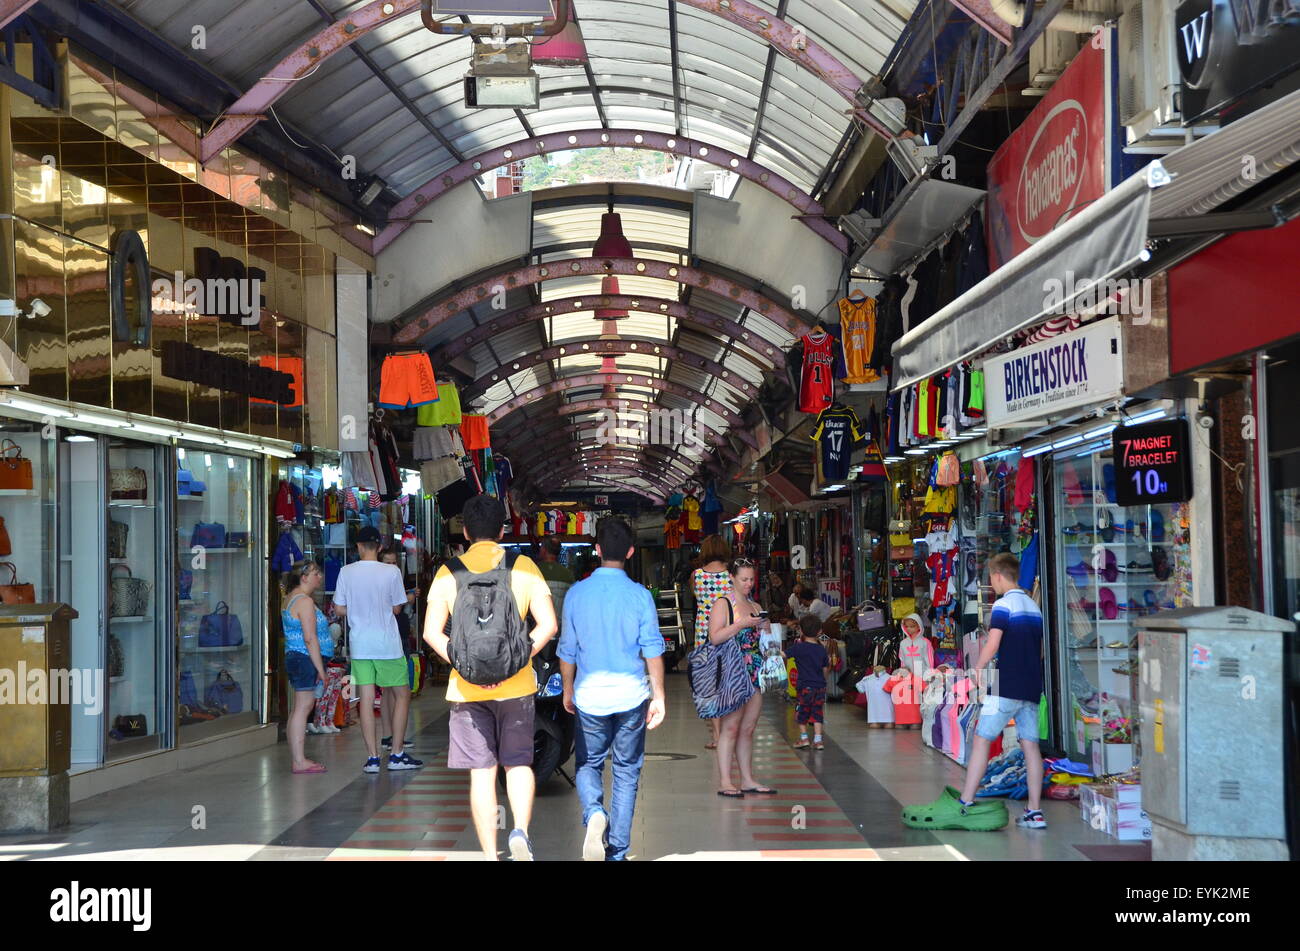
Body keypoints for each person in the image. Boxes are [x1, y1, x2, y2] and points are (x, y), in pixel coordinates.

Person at [423, 495, 558, 861]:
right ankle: (519, 832)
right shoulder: (524, 565)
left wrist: (466, 665)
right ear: (503, 529)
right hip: (517, 688)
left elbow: (432, 633)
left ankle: (488, 854)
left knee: (481, 774)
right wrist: (514, 661)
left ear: (465, 531)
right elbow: (548, 625)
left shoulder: (448, 571)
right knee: (517, 763)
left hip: (466, 691)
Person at [902, 552, 1044, 831]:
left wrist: (977, 669)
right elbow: (1038, 651)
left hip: (1005, 684)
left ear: (998, 575)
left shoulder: (1004, 605)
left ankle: (965, 801)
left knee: (981, 739)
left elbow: (993, 643)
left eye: (992, 578)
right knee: (1031, 746)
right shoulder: (1033, 606)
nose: (992, 583)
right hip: (1031, 685)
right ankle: (1035, 812)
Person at [558, 517, 666, 861]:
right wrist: (659, 695)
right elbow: (652, 648)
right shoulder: (639, 596)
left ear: (598, 549)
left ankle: (594, 814)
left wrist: (568, 690)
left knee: (588, 765)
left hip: (590, 696)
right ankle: (617, 852)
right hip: (631, 696)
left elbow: (568, 649)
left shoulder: (576, 593)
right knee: (626, 772)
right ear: (631, 552)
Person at [333, 526, 423, 773]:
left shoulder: (346, 572)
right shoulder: (391, 571)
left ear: (359, 547)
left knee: (366, 698)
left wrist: (358, 611)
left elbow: (339, 609)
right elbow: (397, 609)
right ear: (380, 547)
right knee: (402, 695)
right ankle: (396, 754)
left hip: (361, 645)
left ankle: (372, 758)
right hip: (388, 644)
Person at [708, 558, 777, 798]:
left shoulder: (756, 606)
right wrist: (741, 624)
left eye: (751, 579)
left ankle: (747, 778)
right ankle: (726, 781)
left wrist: (769, 636)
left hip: (754, 670)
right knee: (731, 726)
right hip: (732, 671)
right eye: (744, 579)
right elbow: (715, 637)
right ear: (733, 579)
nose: (749, 584)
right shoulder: (723, 605)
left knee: (748, 728)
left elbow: (764, 640)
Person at [282, 562, 330, 773]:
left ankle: (297, 757)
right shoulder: (304, 601)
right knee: (303, 708)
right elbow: (310, 638)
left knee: (299, 708)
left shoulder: (292, 597)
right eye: (315, 573)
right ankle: (299, 761)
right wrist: (320, 668)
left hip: (297, 657)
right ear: (304, 577)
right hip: (304, 658)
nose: (319, 577)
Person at [691, 534, 732, 751]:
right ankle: (728, 733)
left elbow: (697, 599)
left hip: (704, 636)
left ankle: (717, 736)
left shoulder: (696, 576)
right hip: (728, 633)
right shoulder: (732, 577)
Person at [378, 547, 418, 752]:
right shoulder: (385, 583)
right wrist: (407, 598)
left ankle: (390, 736)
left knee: (389, 692)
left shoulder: (392, 581)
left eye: (394, 563)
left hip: (398, 635)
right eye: (387, 562)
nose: (392, 566)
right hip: (391, 640)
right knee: (397, 691)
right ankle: (393, 740)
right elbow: (396, 608)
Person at [787, 614, 830, 750]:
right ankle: (818, 740)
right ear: (819, 632)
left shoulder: (798, 647)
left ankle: (804, 738)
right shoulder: (821, 649)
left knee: (802, 712)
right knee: (817, 712)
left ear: (801, 631)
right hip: (819, 687)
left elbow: (783, 654)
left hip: (805, 686)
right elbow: (825, 669)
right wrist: (823, 681)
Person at [535, 535, 575, 624]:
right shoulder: (567, 574)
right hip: (561, 625)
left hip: (539, 627)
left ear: (544, 550)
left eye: (541, 547)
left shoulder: (534, 571)